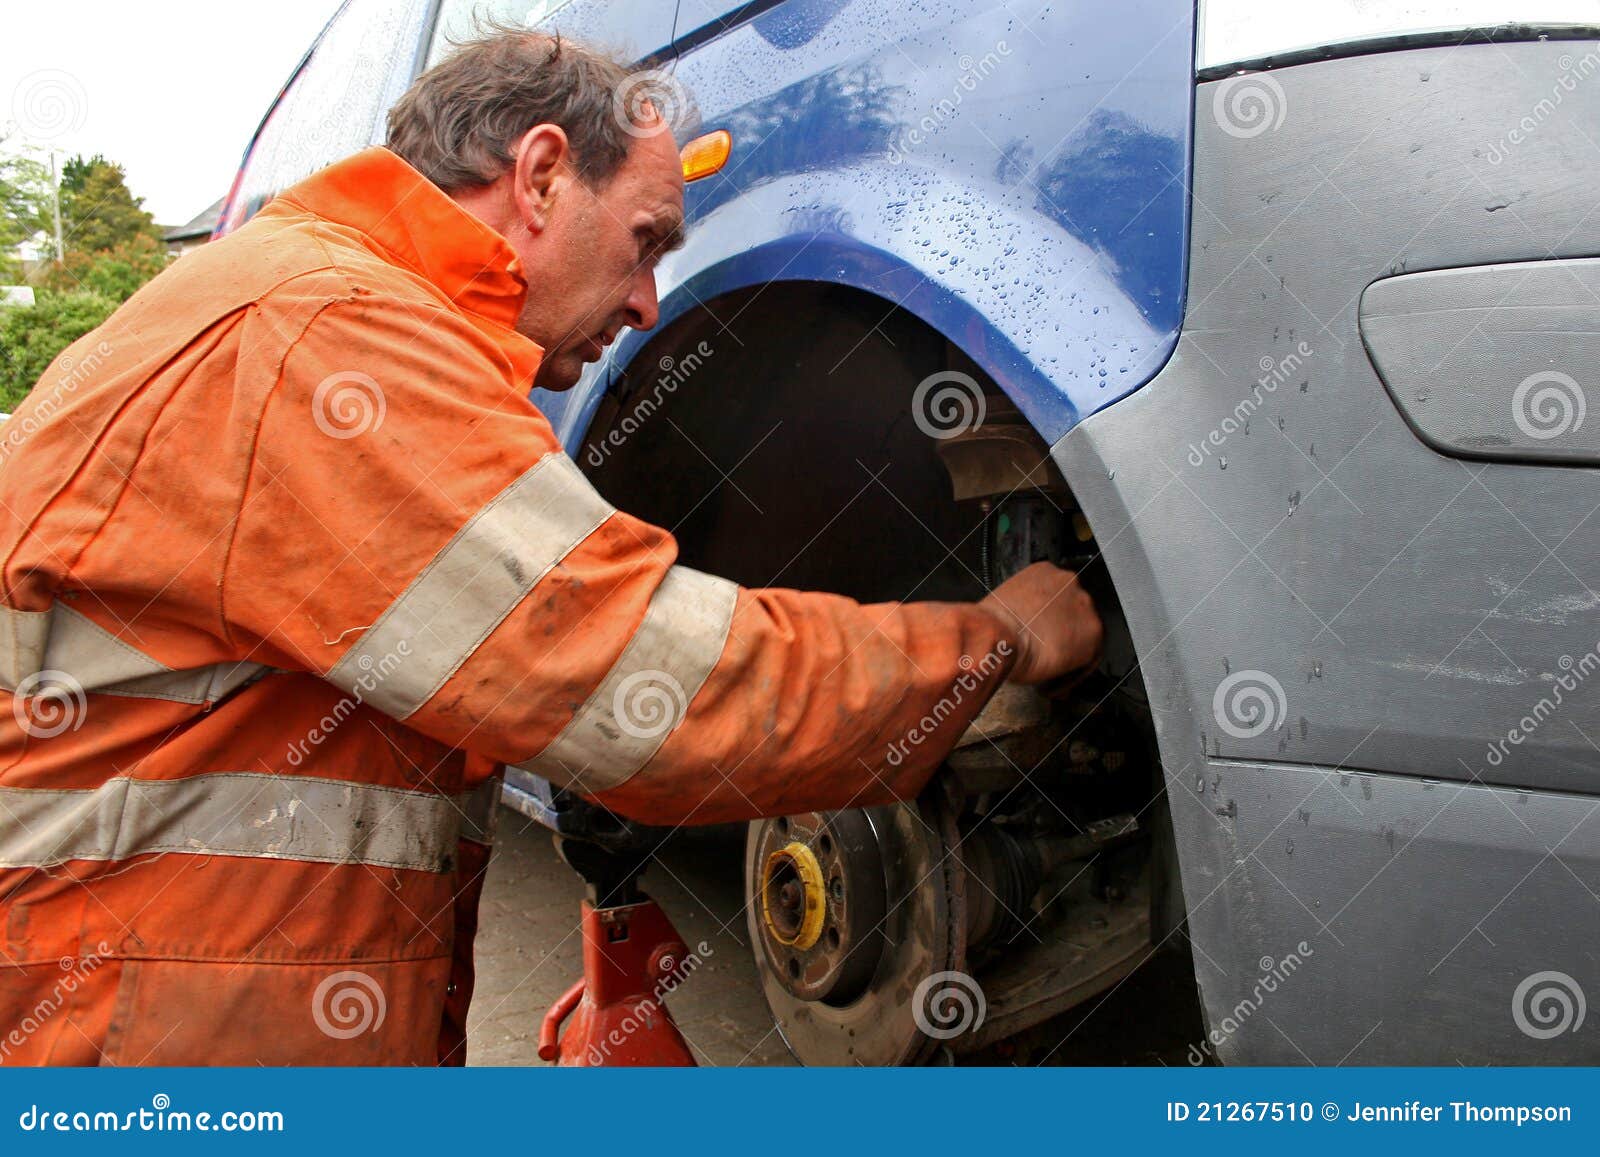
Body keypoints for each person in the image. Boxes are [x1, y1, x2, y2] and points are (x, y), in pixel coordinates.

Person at [0, 30, 1101, 1065]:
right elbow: (652, 689)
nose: (647, 300)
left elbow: (514, 676)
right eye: (644, 241)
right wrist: (997, 637)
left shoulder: (301, 299)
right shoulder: (324, 334)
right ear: (538, 177)